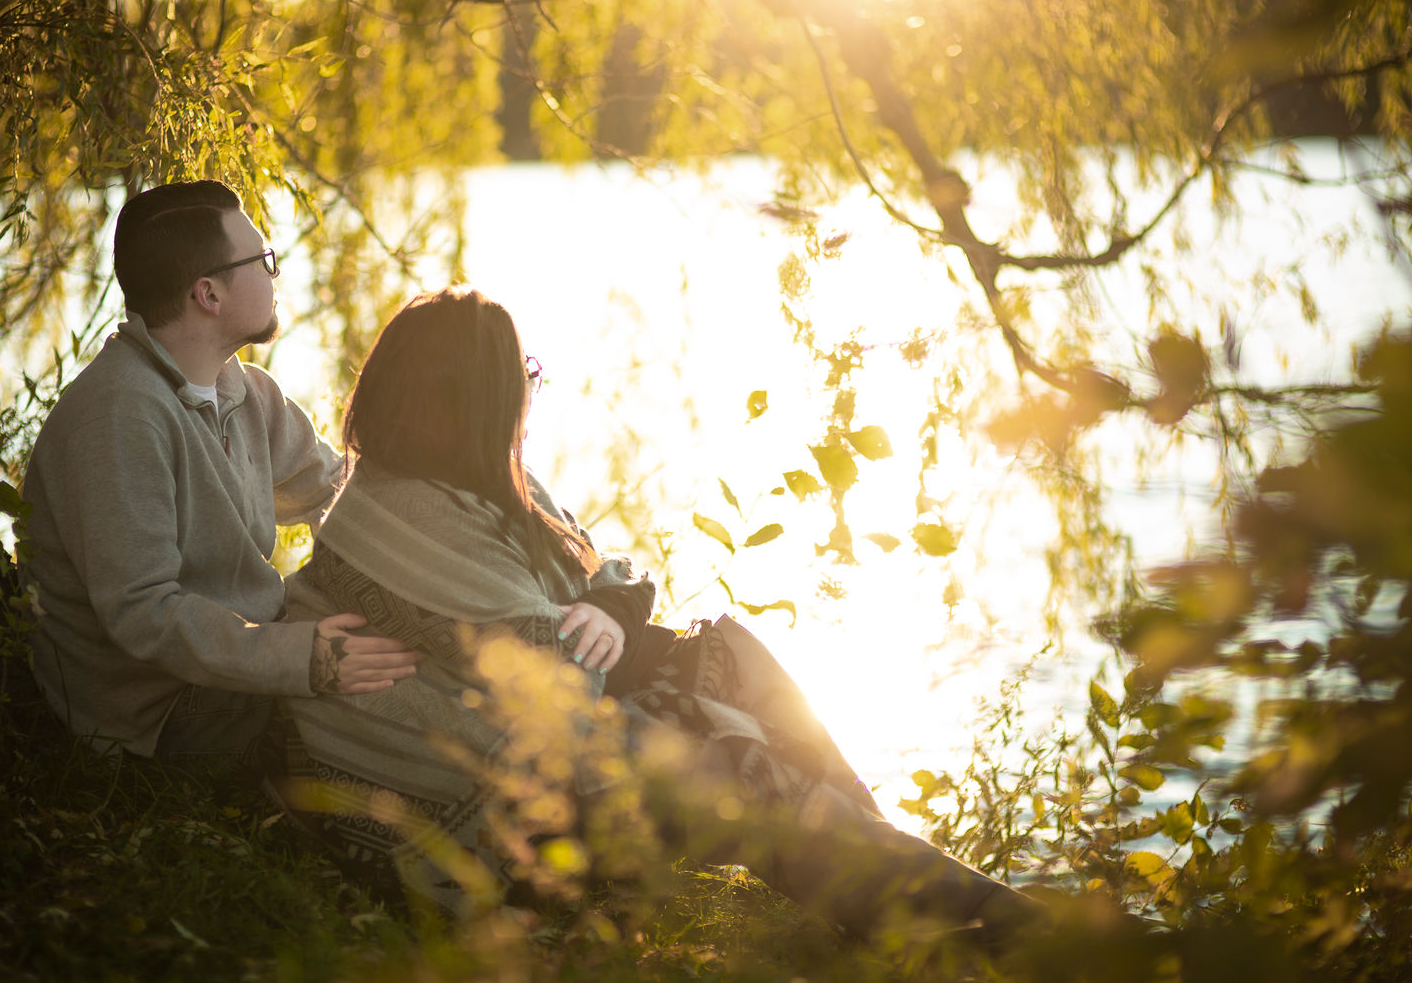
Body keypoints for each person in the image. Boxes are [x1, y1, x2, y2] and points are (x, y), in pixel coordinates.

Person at [271, 286, 1039, 945]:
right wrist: (619, 625)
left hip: (540, 730)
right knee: (741, 768)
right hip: (475, 816)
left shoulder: (479, 483)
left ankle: (894, 876)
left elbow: (603, 576)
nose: (532, 396)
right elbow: (560, 669)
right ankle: (1002, 932)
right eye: (523, 380)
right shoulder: (406, 517)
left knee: (731, 653)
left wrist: (613, 605)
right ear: (475, 401)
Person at [21, 180, 418, 769]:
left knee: (425, 659)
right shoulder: (118, 415)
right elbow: (144, 614)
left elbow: (344, 492)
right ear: (207, 292)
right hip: (160, 715)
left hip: (244, 662)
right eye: (262, 259)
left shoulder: (246, 391)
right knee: (401, 713)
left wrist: (451, 555)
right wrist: (304, 658)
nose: (275, 273)